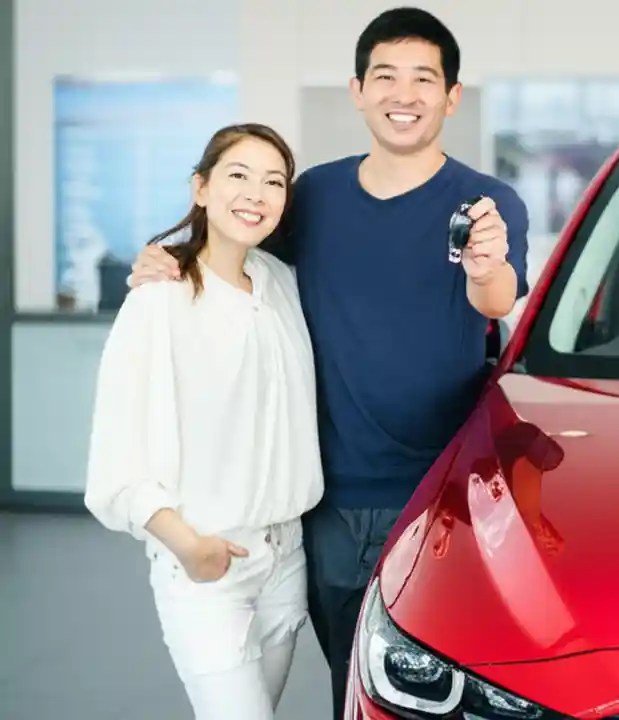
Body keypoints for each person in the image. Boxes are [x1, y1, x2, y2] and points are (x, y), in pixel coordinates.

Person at [127, 7, 530, 714]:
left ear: (451, 96)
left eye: (423, 79)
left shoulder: (487, 204)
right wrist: (169, 260)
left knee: (444, 688)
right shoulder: (313, 194)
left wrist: (484, 265)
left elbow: (498, 299)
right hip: (326, 500)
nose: (403, 94)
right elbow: (240, 262)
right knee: (353, 683)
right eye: (385, 76)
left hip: (442, 501)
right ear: (357, 90)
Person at [84, 122, 323, 720]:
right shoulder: (158, 299)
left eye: (274, 182)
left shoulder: (282, 283)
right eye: (238, 175)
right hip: (207, 564)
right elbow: (116, 454)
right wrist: (187, 547)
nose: (256, 194)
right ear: (201, 187)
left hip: (286, 559)